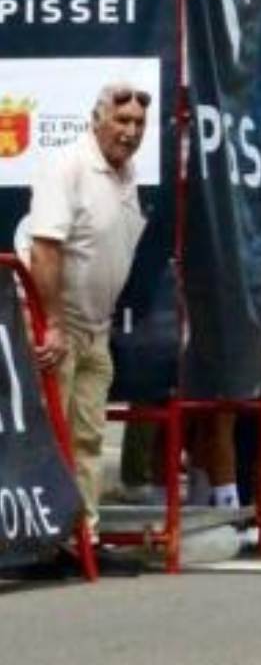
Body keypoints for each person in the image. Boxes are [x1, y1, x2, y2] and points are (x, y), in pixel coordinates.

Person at [13, 83, 154, 574]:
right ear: (97, 120)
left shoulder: (127, 174)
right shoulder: (67, 165)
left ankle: (83, 537)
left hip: (96, 329)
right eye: (122, 121)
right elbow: (47, 248)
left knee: (88, 438)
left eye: (138, 124)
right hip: (62, 327)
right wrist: (50, 324)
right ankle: (46, 539)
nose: (131, 132)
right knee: (52, 437)